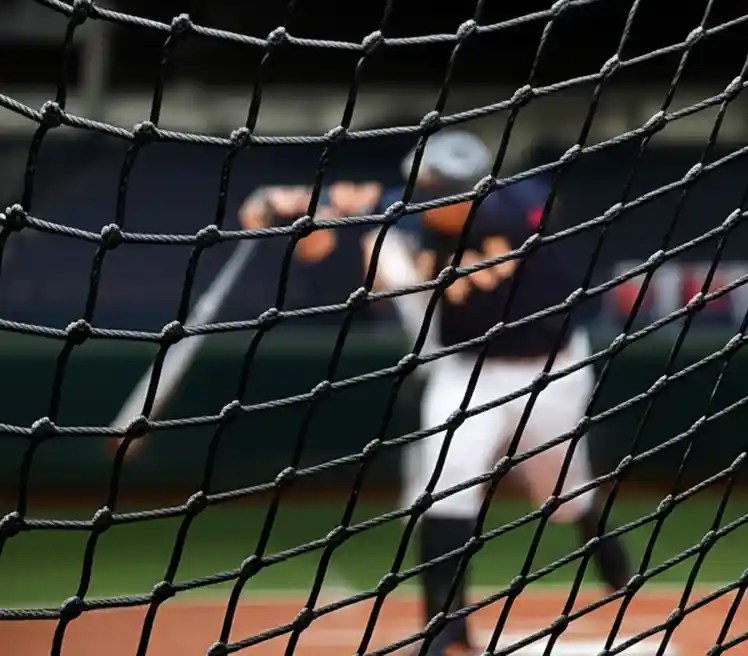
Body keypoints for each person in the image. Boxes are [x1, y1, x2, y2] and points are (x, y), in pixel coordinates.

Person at [237, 130, 632, 656]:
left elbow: (488, 212)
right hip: (465, 371)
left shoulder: (520, 203)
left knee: (563, 496)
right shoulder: (406, 217)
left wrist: (339, 206)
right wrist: (287, 206)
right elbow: (326, 234)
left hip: (550, 370)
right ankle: (447, 629)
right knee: (446, 489)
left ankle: (598, 542)